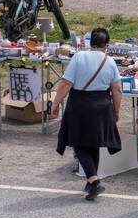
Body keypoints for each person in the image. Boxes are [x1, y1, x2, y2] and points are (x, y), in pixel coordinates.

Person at [51, 27, 122, 201]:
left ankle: (94, 180)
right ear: (106, 45)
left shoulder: (79, 57)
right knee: (94, 143)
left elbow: (66, 84)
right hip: (102, 105)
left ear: (91, 43)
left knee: (78, 142)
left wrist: (55, 103)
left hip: (80, 103)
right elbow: (117, 89)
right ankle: (91, 184)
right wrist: (116, 111)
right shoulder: (109, 61)